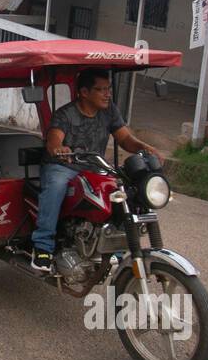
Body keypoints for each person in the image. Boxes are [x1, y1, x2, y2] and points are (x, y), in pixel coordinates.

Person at [32, 68, 161, 276]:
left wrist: (143, 147)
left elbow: (125, 139)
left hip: (94, 166)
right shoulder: (65, 114)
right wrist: (59, 149)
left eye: (108, 89)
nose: (107, 94)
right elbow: (54, 140)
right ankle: (43, 248)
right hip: (63, 166)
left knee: (122, 190)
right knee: (56, 186)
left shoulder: (109, 111)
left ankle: (114, 245)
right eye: (101, 90)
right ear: (84, 92)